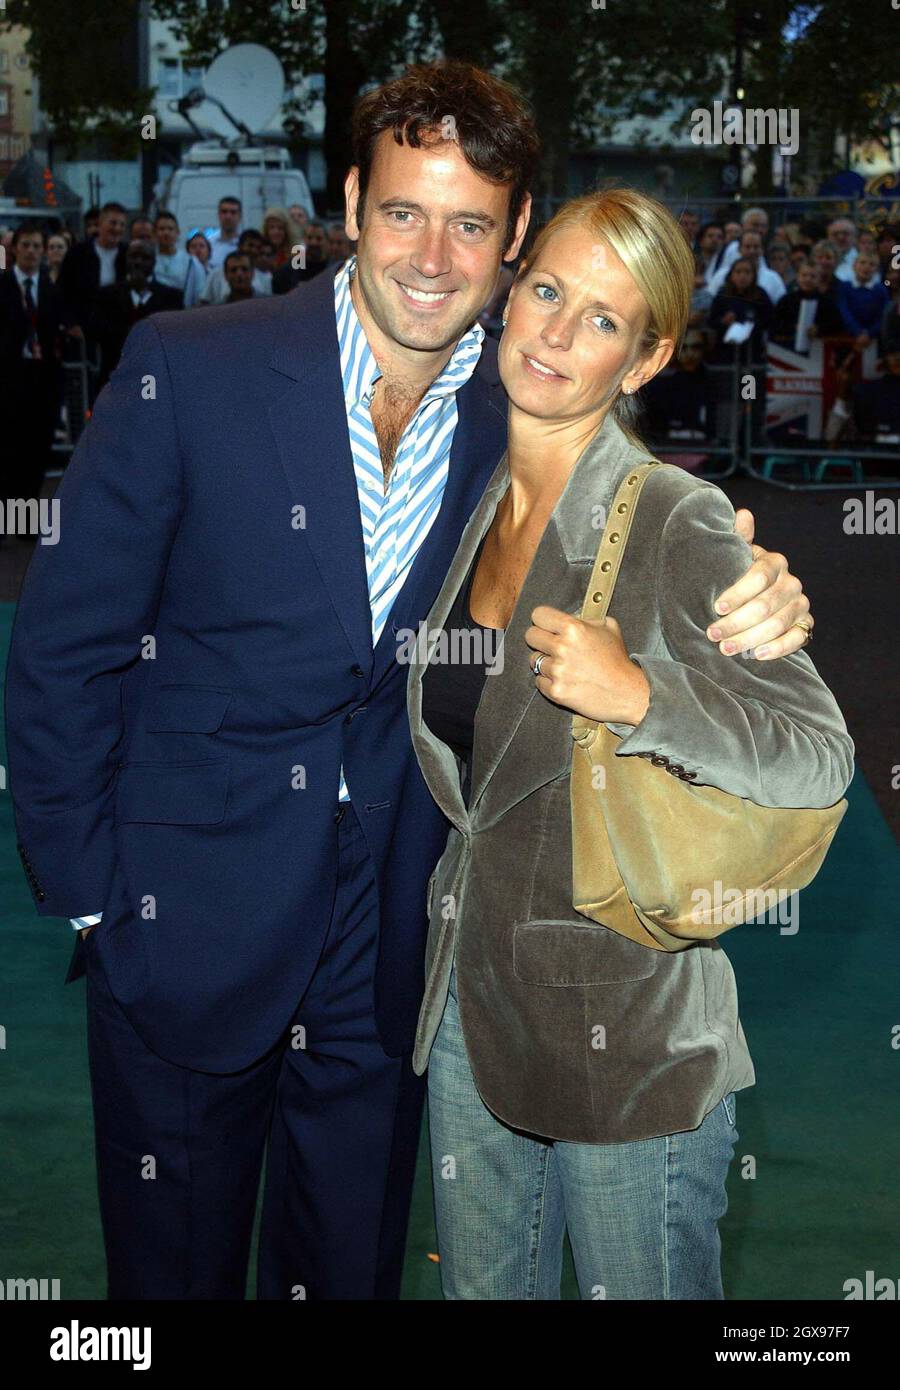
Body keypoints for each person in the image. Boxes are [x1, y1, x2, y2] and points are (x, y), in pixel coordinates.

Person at [4, 61, 814, 1305]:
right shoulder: (191, 368)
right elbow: (66, 647)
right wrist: (96, 904)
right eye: (403, 212)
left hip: (396, 960)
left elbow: (632, 488)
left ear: (516, 234)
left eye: (472, 224)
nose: (433, 257)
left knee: (351, 1276)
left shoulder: (513, 407)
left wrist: (755, 579)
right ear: (349, 204)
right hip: (182, 923)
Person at [409, 187, 853, 1301]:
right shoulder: (471, 486)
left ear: (646, 360)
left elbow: (819, 756)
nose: (557, 334)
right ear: (512, 292)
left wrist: (641, 692)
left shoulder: (672, 516)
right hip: (471, 1013)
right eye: (548, 291)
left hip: (631, 1037)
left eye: (603, 320)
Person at [0, 225, 65, 530]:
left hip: (43, 379)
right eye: (25, 245)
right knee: (7, 449)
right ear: (14, 249)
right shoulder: (3, 286)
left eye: (36, 246)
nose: (30, 251)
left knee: (36, 451)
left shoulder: (51, 290)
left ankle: (25, 522)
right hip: (9, 378)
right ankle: (4, 521)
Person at [91, 240, 183, 388]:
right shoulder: (107, 295)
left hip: (154, 377)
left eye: (144, 257)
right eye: (133, 256)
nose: (138, 262)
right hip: (115, 375)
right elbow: (98, 331)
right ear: (126, 259)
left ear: (154, 262)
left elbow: (173, 336)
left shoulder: (171, 297)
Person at [769, 259, 844, 349]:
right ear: (797, 277)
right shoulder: (786, 300)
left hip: (817, 350)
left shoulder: (827, 303)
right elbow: (775, 324)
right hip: (788, 349)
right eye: (804, 275)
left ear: (819, 279)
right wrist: (793, 327)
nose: (808, 279)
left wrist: (818, 329)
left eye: (813, 276)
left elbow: (836, 325)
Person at [708, 227, 785, 304]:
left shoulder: (773, 278)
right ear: (739, 249)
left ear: (762, 249)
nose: (752, 251)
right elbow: (709, 299)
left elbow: (781, 305)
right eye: (747, 247)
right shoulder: (722, 275)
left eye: (756, 247)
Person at [836, 250, 890, 350]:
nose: (867, 267)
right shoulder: (845, 287)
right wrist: (858, 331)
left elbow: (884, 314)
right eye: (862, 263)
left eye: (872, 264)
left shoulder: (881, 290)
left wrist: (869, 333)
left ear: (877, 270)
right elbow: (844, 311)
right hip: (848, 336)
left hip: (873, 338)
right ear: (854, 266)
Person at [152, 211, 207, 307]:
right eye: (161, 229)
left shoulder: (192, 262)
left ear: (177, 232)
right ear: (155, 233)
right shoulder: (149, 261)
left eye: (170, 229)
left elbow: (200, 295)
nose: (166, 232)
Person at [206, 196, 243, 268]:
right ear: (218, 215)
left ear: (240, 216)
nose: (228, 216)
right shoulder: (209, 244)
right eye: (224, 212)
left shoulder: (245, 245)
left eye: (233, 212)